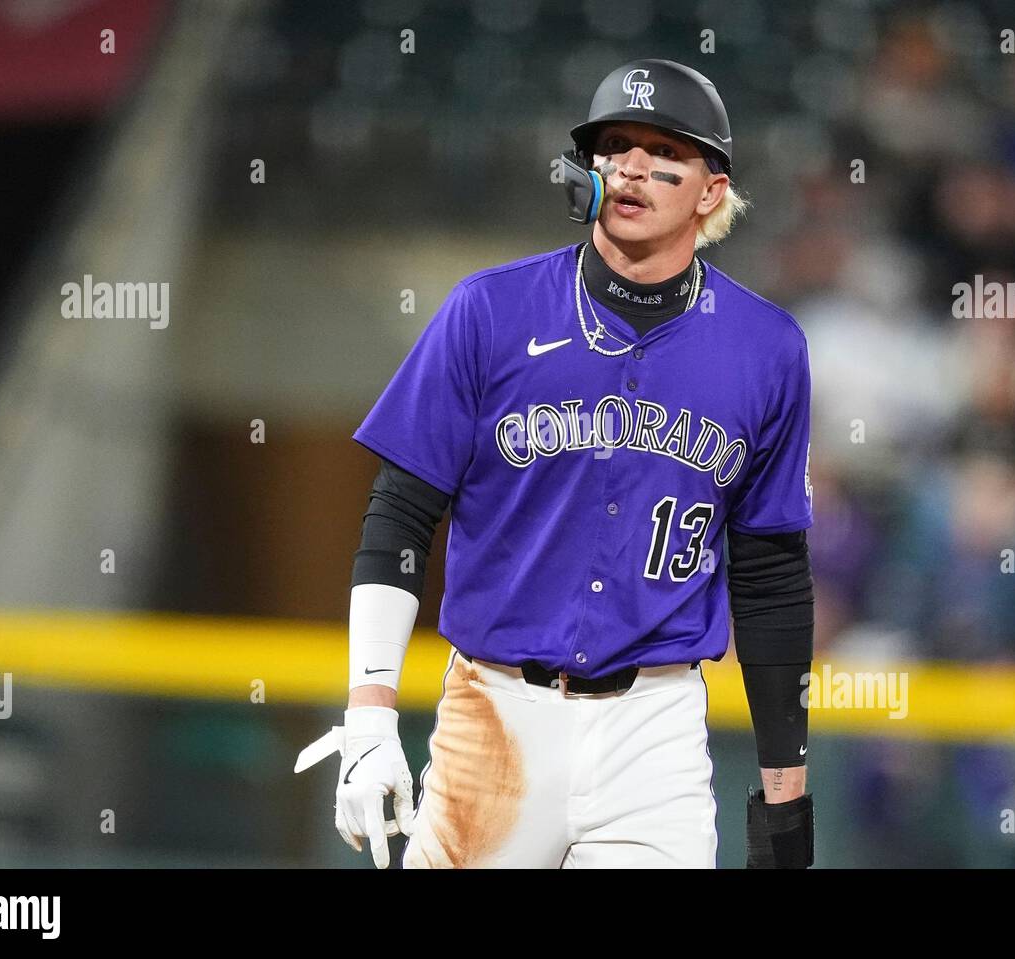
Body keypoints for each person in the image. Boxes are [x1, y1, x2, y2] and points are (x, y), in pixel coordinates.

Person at [296, 58, 815, 869]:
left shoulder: (767, 348)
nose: (632, 168)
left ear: (711, 191)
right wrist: (369, 716)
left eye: (663, 152)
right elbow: (399, 512)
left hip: (657, 726)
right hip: (495, 713)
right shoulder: (489, 311)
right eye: (615, 146)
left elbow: (771, 572)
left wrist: (786, 800)